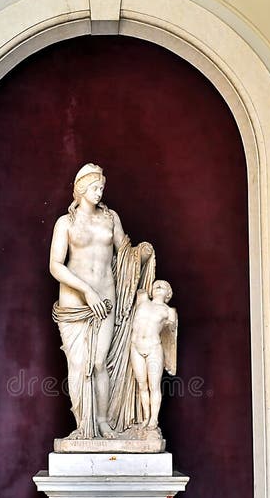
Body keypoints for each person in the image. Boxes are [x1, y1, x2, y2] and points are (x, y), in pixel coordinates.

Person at [49, 164, 154, 439]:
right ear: (82, 189)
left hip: (106, 299)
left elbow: (125, 255)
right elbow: (55, 265)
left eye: (102, 188)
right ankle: (83, 426)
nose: (100, 193)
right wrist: (86, 290)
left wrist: (141, 253)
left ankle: (103, 421)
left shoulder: (110, 218)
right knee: (79, 364)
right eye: (95, 188)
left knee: (98, 362)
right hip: (75, 302)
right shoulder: (66, 223)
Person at [130, 280, 177, 430]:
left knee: (154, 385)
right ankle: (145, 418)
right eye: (156, 284)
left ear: (168, 293)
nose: (159, 286)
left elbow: (172, 330)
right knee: (142, 385)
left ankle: (153, 420)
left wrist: (170, 324)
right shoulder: (142, 301)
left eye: (163, 286)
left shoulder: (169, 310)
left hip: (154, 348)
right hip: (135, 346)